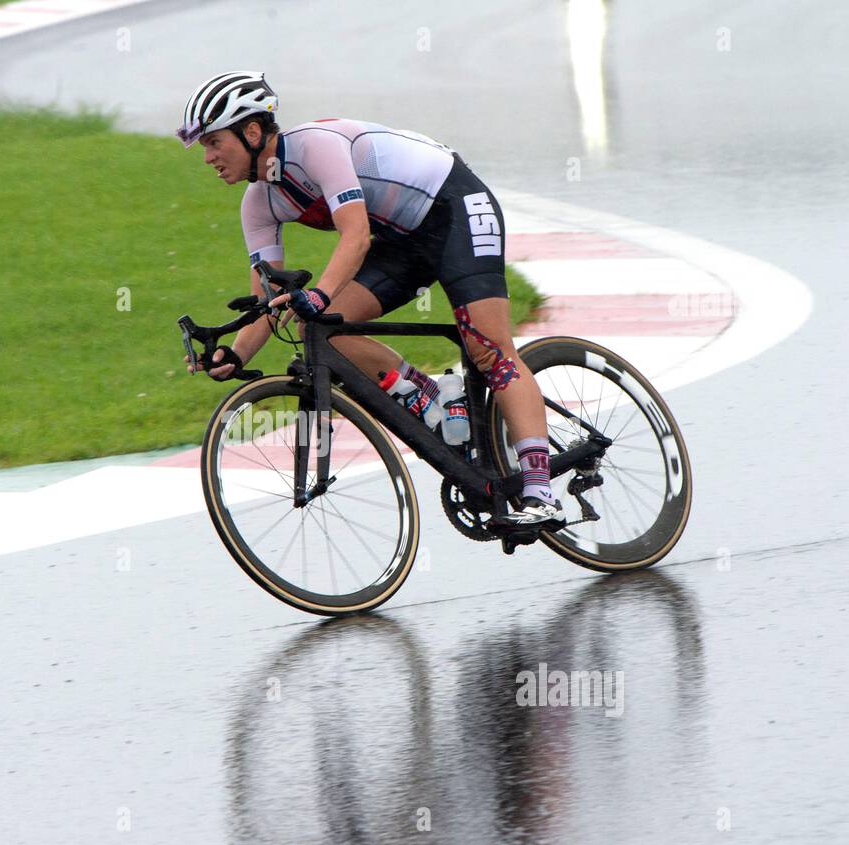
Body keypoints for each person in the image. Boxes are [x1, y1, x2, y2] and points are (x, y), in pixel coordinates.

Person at [177, 70, 561, 526]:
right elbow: (268, 299)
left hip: (454, 208)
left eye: (213, 142)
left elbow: (355, 235)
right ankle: (435, 398)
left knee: (488, 351)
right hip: (402, 241)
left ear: (253, 131)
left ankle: (541, 491)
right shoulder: (258, 204)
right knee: (321, 330)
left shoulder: (314, 147)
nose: (208, 157)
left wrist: (319, 294)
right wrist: (232, 354)